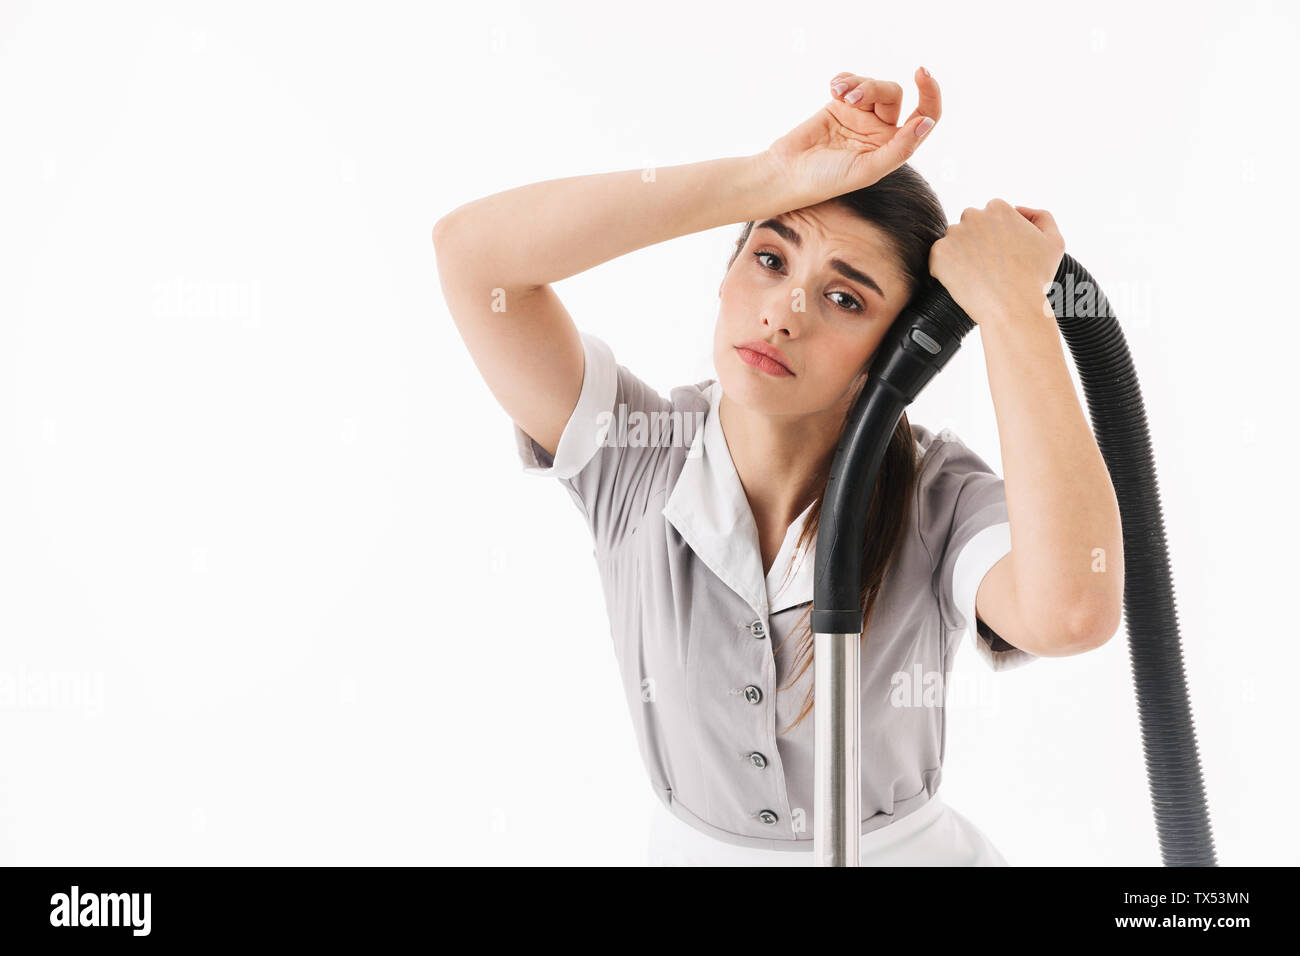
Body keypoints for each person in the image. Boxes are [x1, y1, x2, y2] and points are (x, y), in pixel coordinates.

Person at [433, 67, 1125, 865]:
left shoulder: (938, 497)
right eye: (769, 258)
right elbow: (472, 259)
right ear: (729, 270)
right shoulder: (631, 452)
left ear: (896, 354)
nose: (783, 312)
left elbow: (1073, 610)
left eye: (845, 300)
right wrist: (767, 179)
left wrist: (1011, 309)